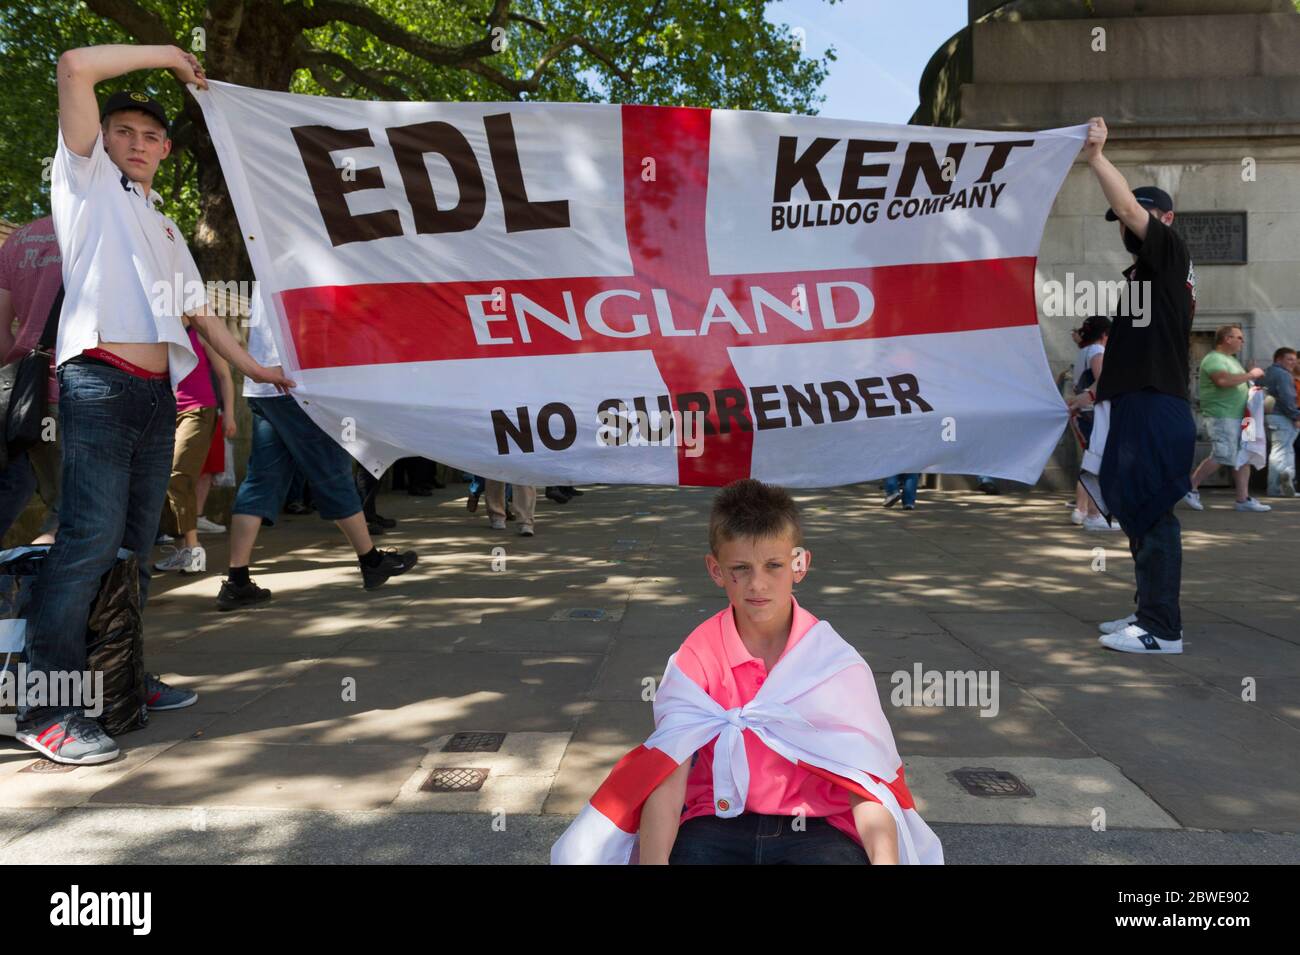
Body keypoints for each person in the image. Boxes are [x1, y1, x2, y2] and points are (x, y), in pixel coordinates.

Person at [17, 45, 293, 766]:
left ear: (167, 150)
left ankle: (120, 678)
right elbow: (76, 64)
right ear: (101, 140)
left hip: (153, 398)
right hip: (97, 385)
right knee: (85, 544)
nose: (136, 145)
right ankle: (43, 708)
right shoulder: (84, 184)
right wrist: (171, 54)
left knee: (135, 549)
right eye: (123, 132)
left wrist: (257, 366)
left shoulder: (164, 224)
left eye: (150, 136)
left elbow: (201, 315)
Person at [552, 479, 941, 865]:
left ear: (800, 564)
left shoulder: (832, 663)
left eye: (774, 565)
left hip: (816, 827)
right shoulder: (697, 657)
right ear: (716, 570)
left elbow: (866, 779)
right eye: (740, 568)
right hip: (715, 822)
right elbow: (667, 774)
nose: (757, 583)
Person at [215, 295, 417, 610]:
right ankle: (371, 560)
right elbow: (313, 326)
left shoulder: (266, 258)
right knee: (332, 471)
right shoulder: (293, 261)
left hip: (264, 386)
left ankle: (237, 580)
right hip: (293, 387)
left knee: (261, 480)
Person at [1081, 118, 1195, 655]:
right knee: (1136, 509)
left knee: (1152, 510)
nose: (1127, 223)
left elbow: (1128, 208)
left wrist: (1097, 157)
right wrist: (1092, 397)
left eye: (1142, 214)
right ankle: (1147, 610)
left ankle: (1162, 629)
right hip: (1135, 404)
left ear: (1166, 219)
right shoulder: (1144, 279)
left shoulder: (1170, 255)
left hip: (1154, 407)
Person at [153, 315, 235, 573]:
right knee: (170, 479)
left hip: (199, 411)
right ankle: (183, 551)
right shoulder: (160, 331)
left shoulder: (201, 332)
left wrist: (229, 415)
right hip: (166, 413)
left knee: (177, 475)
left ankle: (193, 548)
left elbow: (224, 375)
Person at [0, 216, 64, 544]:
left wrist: (27, 374)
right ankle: (35, 594)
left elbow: (0, 331)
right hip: (76, 392)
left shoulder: (17, 241)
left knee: (34, 491)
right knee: (70, 514)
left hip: (26, 399)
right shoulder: (96, 227)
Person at [1185, 324, 1269, 513]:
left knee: (1244, 456)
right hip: (1222, 416)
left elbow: (1235, 382)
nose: (1242, 341)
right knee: (1223, 453)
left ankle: (1243, 499)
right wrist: (1250, 374)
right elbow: (1222, 381)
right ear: (1227, 339)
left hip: (1242, 416)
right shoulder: (1214, 358)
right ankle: (1190, 487)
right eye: (1239, 337)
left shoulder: (1231, 360)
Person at [1065, 316, 1120, 531]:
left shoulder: (1084, 352)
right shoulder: (1097, 352)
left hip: (1086, 413)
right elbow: (1103, 382)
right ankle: (1092, 513)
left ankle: (1087, 511)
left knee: (1092, 462)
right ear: (1106, 334)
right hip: (1092, 414)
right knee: (1094, 463)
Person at [1262, 347, 1298, 496]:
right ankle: (1276, 488)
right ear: (1278, 359)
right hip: (1282, 416)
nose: (1293, 363)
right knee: (1281, 451)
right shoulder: (1283, 375)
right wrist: (1296, 416)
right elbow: (1287, 398)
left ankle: (1285, 483)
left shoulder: (1267, 372)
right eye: (1289, 359)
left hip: (1270, 415)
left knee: (1284, 450)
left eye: (1295, 360)